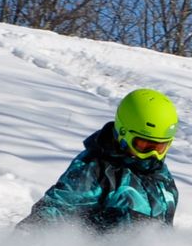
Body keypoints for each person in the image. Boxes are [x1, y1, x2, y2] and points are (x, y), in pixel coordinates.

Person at [19, 88, 180, 230]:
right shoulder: (95, 169)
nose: (153, 155)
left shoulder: (161, 176)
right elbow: (57, 208)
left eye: (160, 147)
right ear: (122, 132)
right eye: (144, 145)